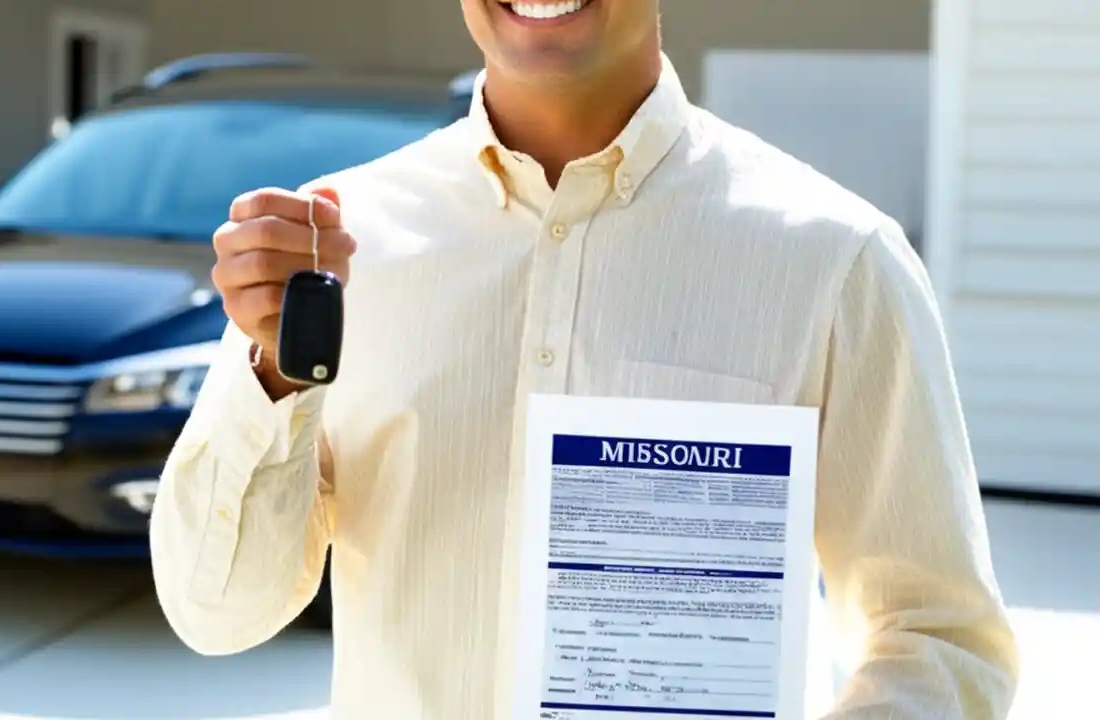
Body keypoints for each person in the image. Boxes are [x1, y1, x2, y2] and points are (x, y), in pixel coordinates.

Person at [150, 1, 1020, 718]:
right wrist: (271, 372)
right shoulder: (335, 244)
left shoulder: (837, 261)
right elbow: (215, 613)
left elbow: (939, 640)